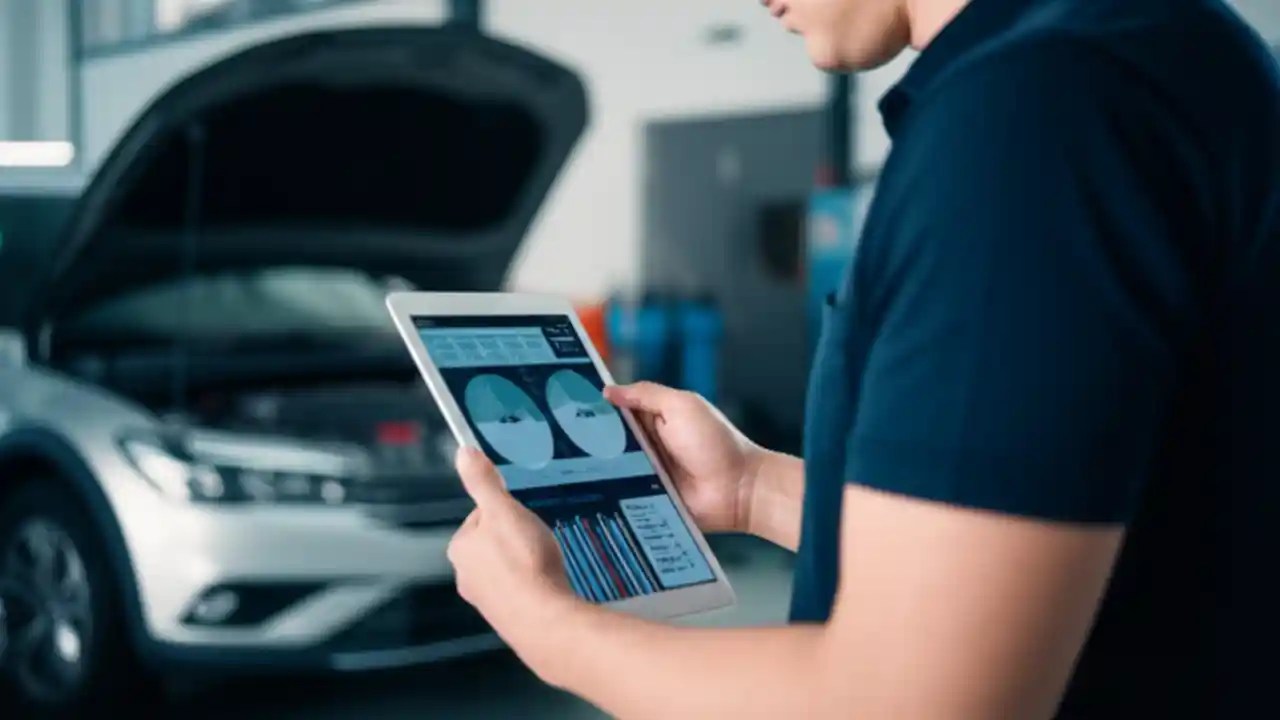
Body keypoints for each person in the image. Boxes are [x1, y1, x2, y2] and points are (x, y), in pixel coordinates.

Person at [447, 0, 1279, 717]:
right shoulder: (1153, 49)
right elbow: (1078, 530)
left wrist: (550, 627)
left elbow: (905, 704)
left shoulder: (1032, 114)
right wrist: (754, 488)